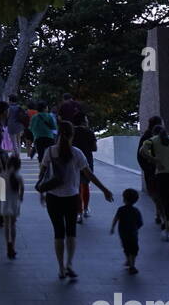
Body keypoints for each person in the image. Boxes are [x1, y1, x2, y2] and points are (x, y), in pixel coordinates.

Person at [38, 125, 115, 280]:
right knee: (71, 232)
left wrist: (42, 191)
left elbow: (43, 173)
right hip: (72, 197)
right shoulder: (77, 153)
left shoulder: (50, 151)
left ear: (58, 134)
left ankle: (60, 268)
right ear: (72, 136)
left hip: (53, 197)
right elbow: (89, 175)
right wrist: (105, 189)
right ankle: (70, 264)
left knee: (58, 233)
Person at [136, 116, 165, 232]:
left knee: (155, 193)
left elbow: (140, 155)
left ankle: (161, 216)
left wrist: (147, 168)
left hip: (152, 170)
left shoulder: (146, 137)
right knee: (158, 194)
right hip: (158, 169)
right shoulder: (154, 137)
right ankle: (160, 215)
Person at [71, 105, 98, 222]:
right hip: (87, 161)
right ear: (83, 120)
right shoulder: (89, 132)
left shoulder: (71, 132)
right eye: (86, 119)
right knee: (85, 185)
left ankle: (79, 213)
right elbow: (94, 148)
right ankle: (86, 209)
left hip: (73, 162)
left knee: (76, 187)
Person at [110, 187, 144, 274]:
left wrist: (113, 227)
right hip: (133, 233)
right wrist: (136, 228)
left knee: (126, 247)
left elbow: (116, 218)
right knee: (134, 249)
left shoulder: (121, 209)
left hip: (123, 233)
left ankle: (128, 260)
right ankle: (132, 266)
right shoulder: (136, 211)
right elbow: (140, 223)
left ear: (124, 199)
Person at [0, 153, 24, 260]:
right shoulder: (18, 176)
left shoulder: (2, 175)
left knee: (6, 225)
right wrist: (20, 198)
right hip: (14, 202)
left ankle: (7, 245)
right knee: (13, 225)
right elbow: (22, 189)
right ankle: (13, 245)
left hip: (4, 202)